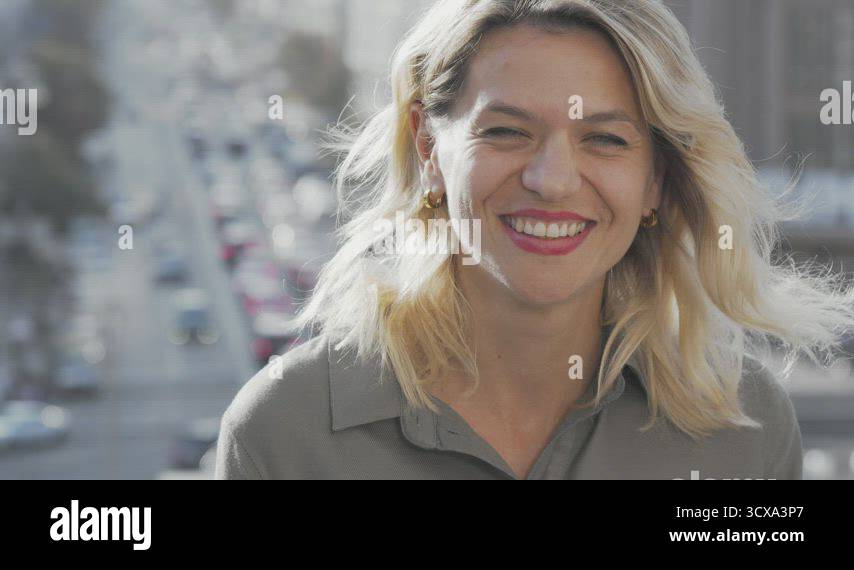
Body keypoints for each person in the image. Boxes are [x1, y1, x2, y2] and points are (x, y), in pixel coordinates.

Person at [216, 0, 854, 480]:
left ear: (657, 178)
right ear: (430, 148)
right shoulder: (285, 431)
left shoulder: (745, 428)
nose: (552, 181)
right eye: (506, 131)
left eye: (605, 139)